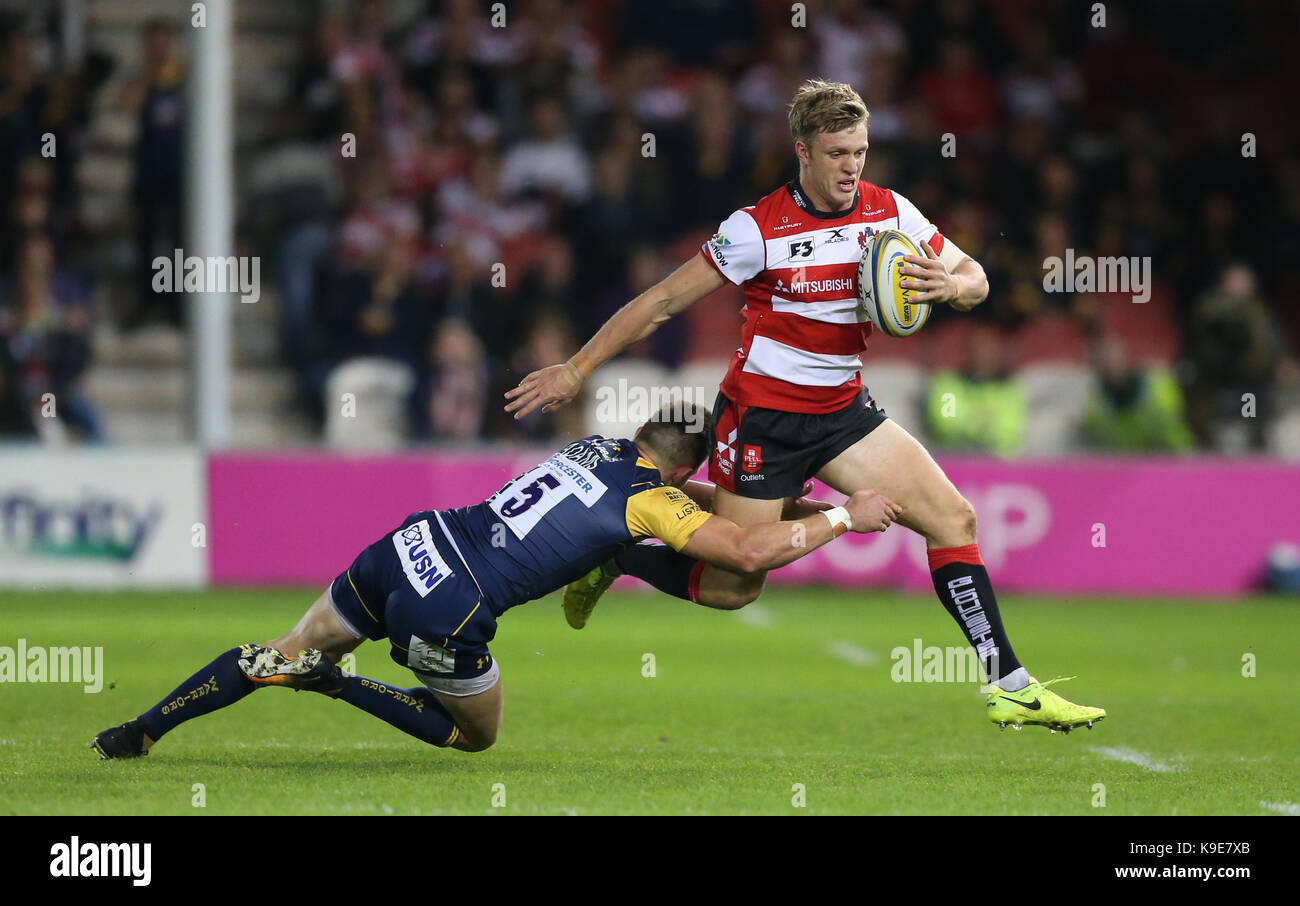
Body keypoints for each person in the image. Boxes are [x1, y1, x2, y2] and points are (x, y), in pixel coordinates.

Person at [506, 79, 1105, 733]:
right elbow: (661, 304)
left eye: (861, 152)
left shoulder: (889, 211)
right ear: (804, 151)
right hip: (763, 419)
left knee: (953, 519)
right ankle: (620, 552)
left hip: (846, 412)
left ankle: (1008, 684)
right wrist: (576, 367)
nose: (853, 166)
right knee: (736, 586)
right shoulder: (756, 228)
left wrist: (952, 285)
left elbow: (977, 277)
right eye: (839, 152)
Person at [90, 404, 902, 758]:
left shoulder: (597, 449)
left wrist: (799, 498)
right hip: (453, 605)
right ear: (690, 468)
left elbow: (674, 493)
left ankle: (140, 730)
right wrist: (841, 519)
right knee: (470, 736)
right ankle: (331, 684)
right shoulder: (655, 502)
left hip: (412, 543)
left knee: (280, 643)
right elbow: (743, 554)